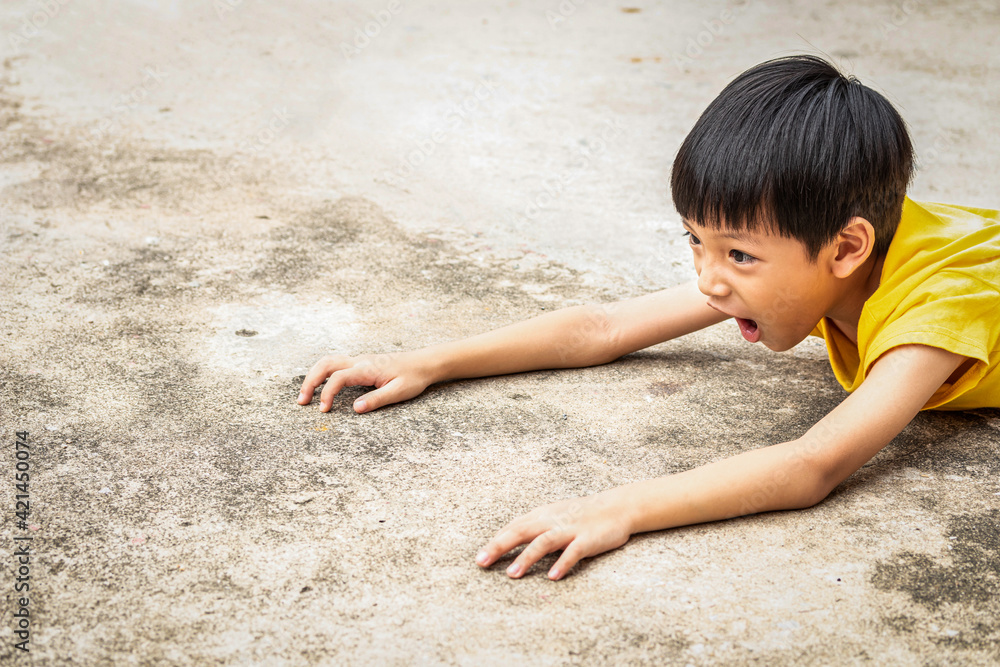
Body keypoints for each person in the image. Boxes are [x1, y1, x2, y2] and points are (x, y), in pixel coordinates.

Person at [297, 55, 999, 581]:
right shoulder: (807, 263)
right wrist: (432, 361)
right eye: (696, 239)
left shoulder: (935, 309)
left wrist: (621, 508)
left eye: (740, 255)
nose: (707, 278)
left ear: (848, 248)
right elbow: (603, 328)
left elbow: (814, 464)